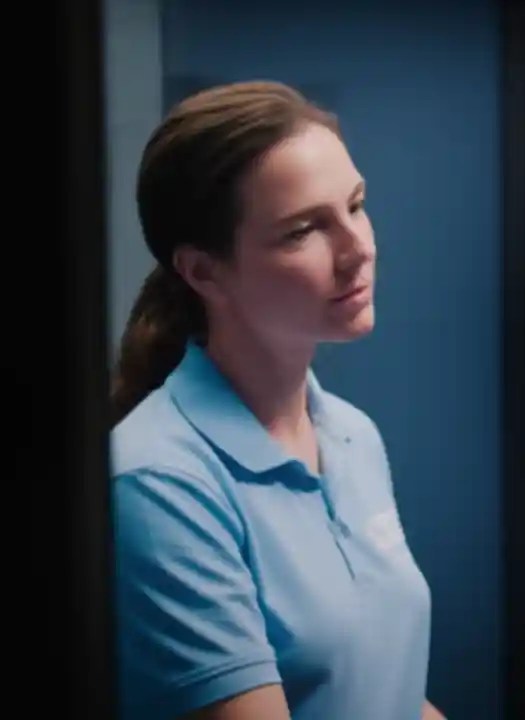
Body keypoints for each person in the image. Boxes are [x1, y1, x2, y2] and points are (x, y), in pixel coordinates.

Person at [109, 80, 445, 720]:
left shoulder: (350, 434)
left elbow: (381, 694)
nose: (358, 248)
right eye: (303, 231)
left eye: (356, 205)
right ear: (203, 271)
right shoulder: (158, 484)